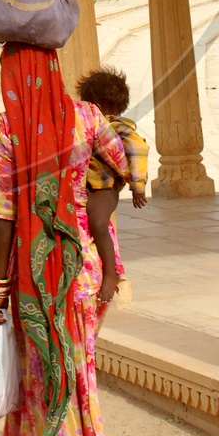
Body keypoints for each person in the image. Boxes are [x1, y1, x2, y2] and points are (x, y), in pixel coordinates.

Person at [0, 40, 161, 436]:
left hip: (33, 275)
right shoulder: (86, 118)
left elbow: (3, 210)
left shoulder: (7, 126)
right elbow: (122, 162)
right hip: (81, 271)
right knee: (64, 382)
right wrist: (90, 210)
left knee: (53, 386)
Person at [79, 66, 149, 307]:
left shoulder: (118, 127)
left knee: (97, 221)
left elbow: (138, 151)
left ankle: (111, 274)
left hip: (106, 187)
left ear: (101, 103)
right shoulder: (89, 126)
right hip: (88, 185)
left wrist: (137, 185)